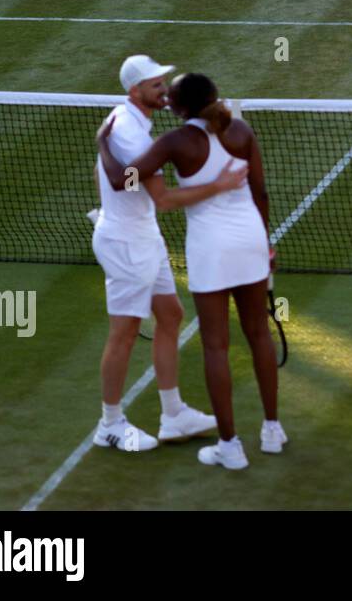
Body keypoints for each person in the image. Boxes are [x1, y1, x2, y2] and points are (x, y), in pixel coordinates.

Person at [99, 72, 286, 471]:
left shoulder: (174, 142)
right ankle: (272, 430)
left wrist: (103, 145)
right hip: (251, 239)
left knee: (216, 346)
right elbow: (261, 192)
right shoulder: (241, 131)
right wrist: (266, 244)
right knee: (258, 333)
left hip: (211, 250)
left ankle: (230, 447)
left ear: (179, 107)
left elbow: (122, 180)